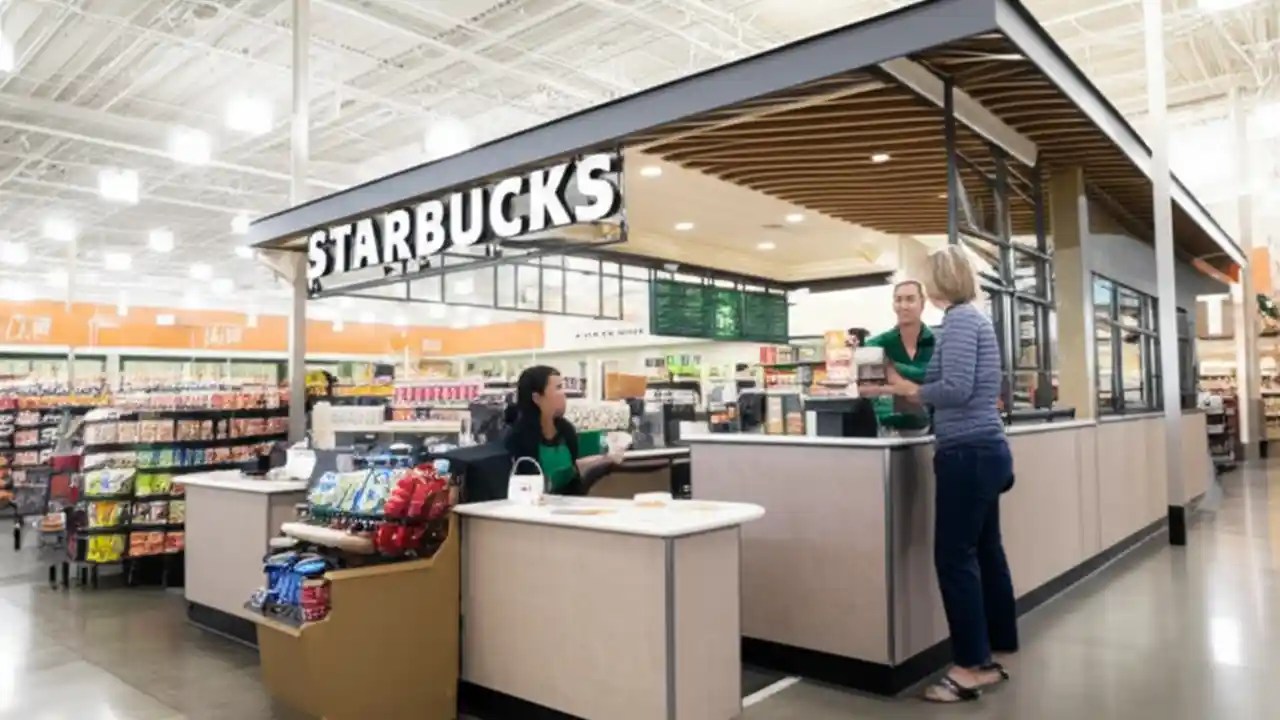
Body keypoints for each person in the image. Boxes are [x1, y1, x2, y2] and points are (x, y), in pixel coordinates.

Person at [884, 245, 1017, 703]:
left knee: (954, 559)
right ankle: (993, 648)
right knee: (985, 551)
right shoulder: (975, 319)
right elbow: (961, 381)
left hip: (967, 453)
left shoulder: (959, 321)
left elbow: (956, 389)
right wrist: (909, 383)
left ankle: (968, 668)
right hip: (988, 451)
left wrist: (913, 391)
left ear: (939, 282)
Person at [502, 365, 620, 496]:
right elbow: (529, 487)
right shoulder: (518, 438)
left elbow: (576, 484)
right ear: (537, 398)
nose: (564, 394)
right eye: (558, 388)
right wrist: (573, 470)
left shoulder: (566, 430)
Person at [863, 280, 935, 434]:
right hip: (887, 428)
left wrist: (891, 367)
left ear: (923, 303)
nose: (903, 306)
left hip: (935, 430)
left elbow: (935, 375)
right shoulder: (876, 344)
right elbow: (866, 385)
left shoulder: (938, 342)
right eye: (898, 300)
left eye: (910, 299)